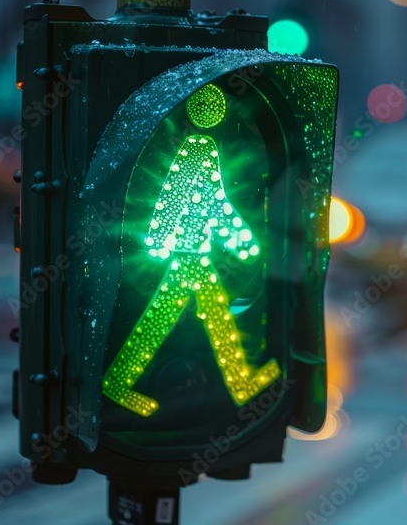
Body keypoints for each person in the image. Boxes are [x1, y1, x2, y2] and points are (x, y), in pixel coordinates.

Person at [102, 84, 279, 417]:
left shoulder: (196, 148)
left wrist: (235, 239)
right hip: (189, 256)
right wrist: (242, 241)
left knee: (192, 318)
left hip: (193, 256)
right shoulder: (199, 150)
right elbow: (208, 202)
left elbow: (204, 201)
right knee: (171, 320)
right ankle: (120, 381)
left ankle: (239, 381)